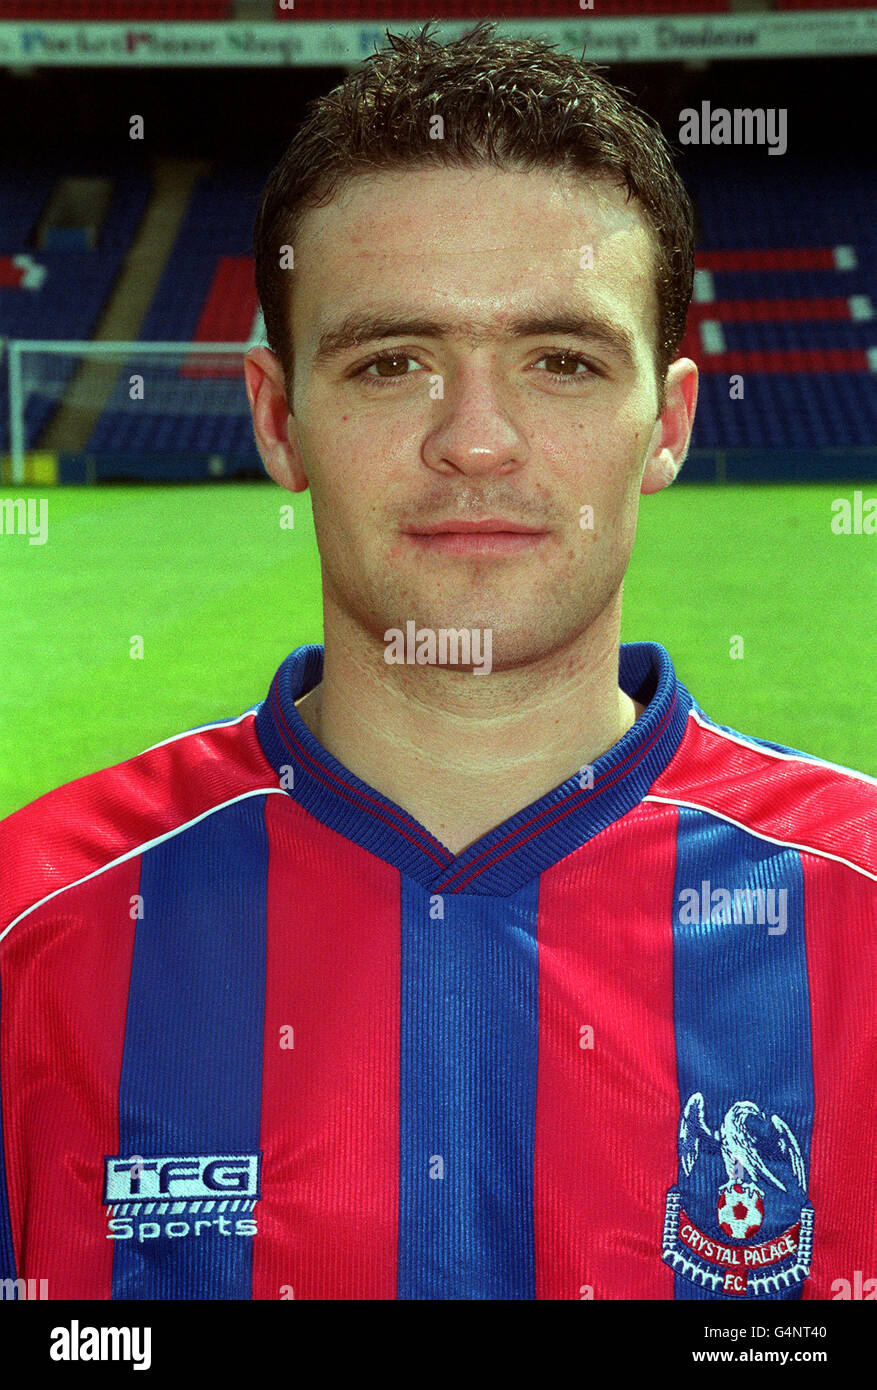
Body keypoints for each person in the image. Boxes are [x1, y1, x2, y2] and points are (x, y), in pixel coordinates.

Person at [0, 22, 873, 1302]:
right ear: (278, 417)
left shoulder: (858, 916)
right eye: (393, 360)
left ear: (670, 423)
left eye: (561, 361)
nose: (474, 440)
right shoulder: (35, 930)